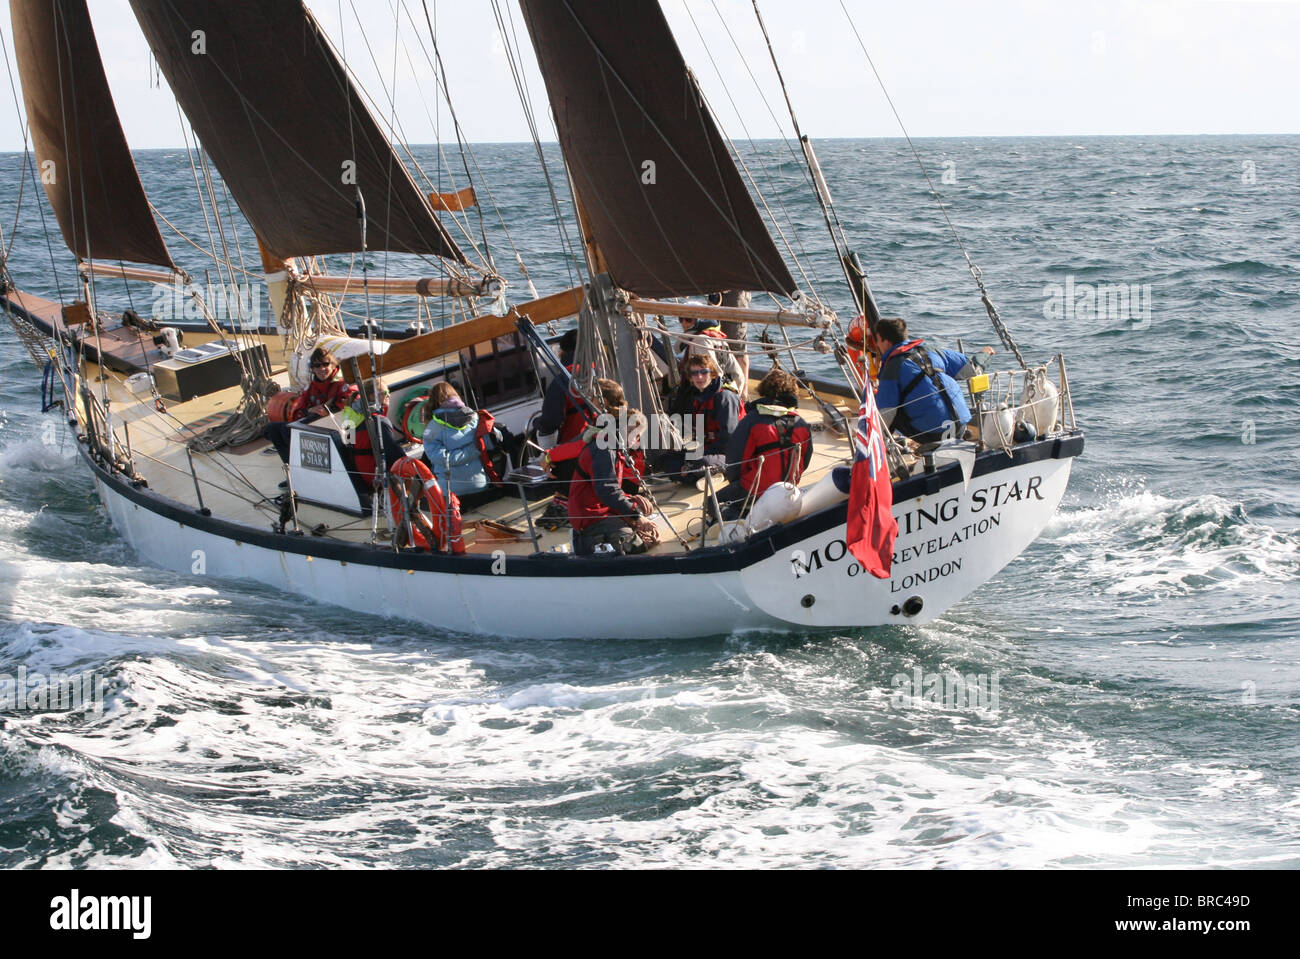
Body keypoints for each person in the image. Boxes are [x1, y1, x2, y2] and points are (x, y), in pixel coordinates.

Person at [873, 318, 989, 444]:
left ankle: (891, 447)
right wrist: (984, 354)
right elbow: (971, 369)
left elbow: (885, 414)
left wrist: (873, 439)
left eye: (877, 340)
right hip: (960, 425)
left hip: (933, 435)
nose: (877, 345)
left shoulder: (892, 369)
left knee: (890, 406)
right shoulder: (931, 351)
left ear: (885, 341)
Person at [716, 368, 813, 517]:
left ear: (764, 391)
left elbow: (736, 462)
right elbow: (805, 460)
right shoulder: (802, 424)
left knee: (712, 503)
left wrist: (739, 483)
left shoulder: (752, 420)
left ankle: (743, 518)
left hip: (755, 489)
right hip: (788, 487)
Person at [568, 407, 657, 556]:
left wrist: (630, 502)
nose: (635, 439)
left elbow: (609, 489)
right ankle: (584, 540)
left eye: (637, 435)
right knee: (636, 546)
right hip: (590, 516)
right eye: (631, 432)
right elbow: (607, 490)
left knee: (638, 533)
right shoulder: (604, 449)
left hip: (602, 509)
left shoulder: (614, 448)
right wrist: (636, 515)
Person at [264, 347, 358, 483]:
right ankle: (294, 473)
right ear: (312, 369)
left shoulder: (343, 384)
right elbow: (297, 412)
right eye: (317, 365)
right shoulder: (311, 388)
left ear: (333, 365)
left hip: (338, 430)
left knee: (287, 432)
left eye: (325, 364)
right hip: (314, 427)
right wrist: (310, 410)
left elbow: (351, 402)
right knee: (273, 429)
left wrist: (328, 410)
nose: (321, 369)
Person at [658, 354, 745, 484]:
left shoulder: (725, 398)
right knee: (666, 459)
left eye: (704, 372)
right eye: (695, 373)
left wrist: (697, 456)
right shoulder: (698, 397)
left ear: (713, 374)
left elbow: (728, 440)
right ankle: (694, 475)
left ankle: (694, 474)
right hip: (705, 448)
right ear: (690, 377)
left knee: (700, 462)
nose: (699, 377)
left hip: (729, 453)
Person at [419, 382, 495, 508]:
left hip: (451, 493)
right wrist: (475, 449)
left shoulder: (432, 428)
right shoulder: (475, 417)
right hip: (481, 485)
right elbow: (488, 443)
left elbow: (439, 458)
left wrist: (469, 451)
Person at [339, 379, 407, 494]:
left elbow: (349, 447)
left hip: (362, 476)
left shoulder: (351, 416)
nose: (389, 395)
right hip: (378, 477)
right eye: (385, 393)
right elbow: (395, 454)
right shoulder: (379, 421)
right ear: (371, 397)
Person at [534, 328, 587, 445]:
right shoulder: (603, 370)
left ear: (562, 352)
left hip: (577, 448)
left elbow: (550, 423)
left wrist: (536, 423)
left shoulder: (561, 382)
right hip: (610, 441)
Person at [709, 290, 752, 389]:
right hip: (716, 290)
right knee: (713, 337)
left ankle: (743, 392)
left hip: (734, 293)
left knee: (737, 345)